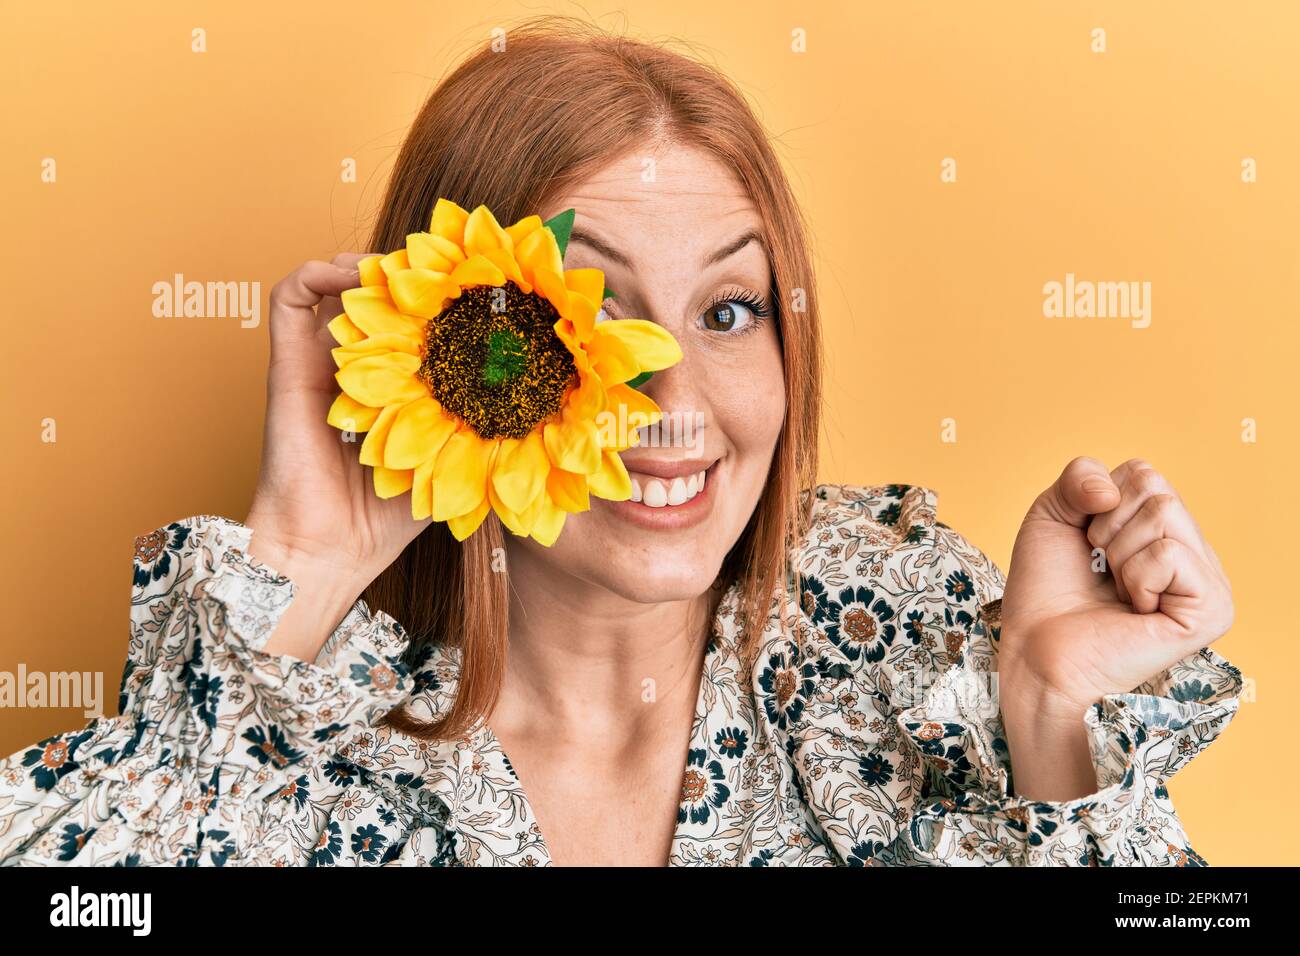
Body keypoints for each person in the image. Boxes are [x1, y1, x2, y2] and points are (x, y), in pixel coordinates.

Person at [0, 19, 1240, 867]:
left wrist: (1049, 711)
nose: (675, 398)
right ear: (456, 354)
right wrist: (299, 573)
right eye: (590, 317)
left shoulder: (898, 641)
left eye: (728, 310)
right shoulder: (300, 720)